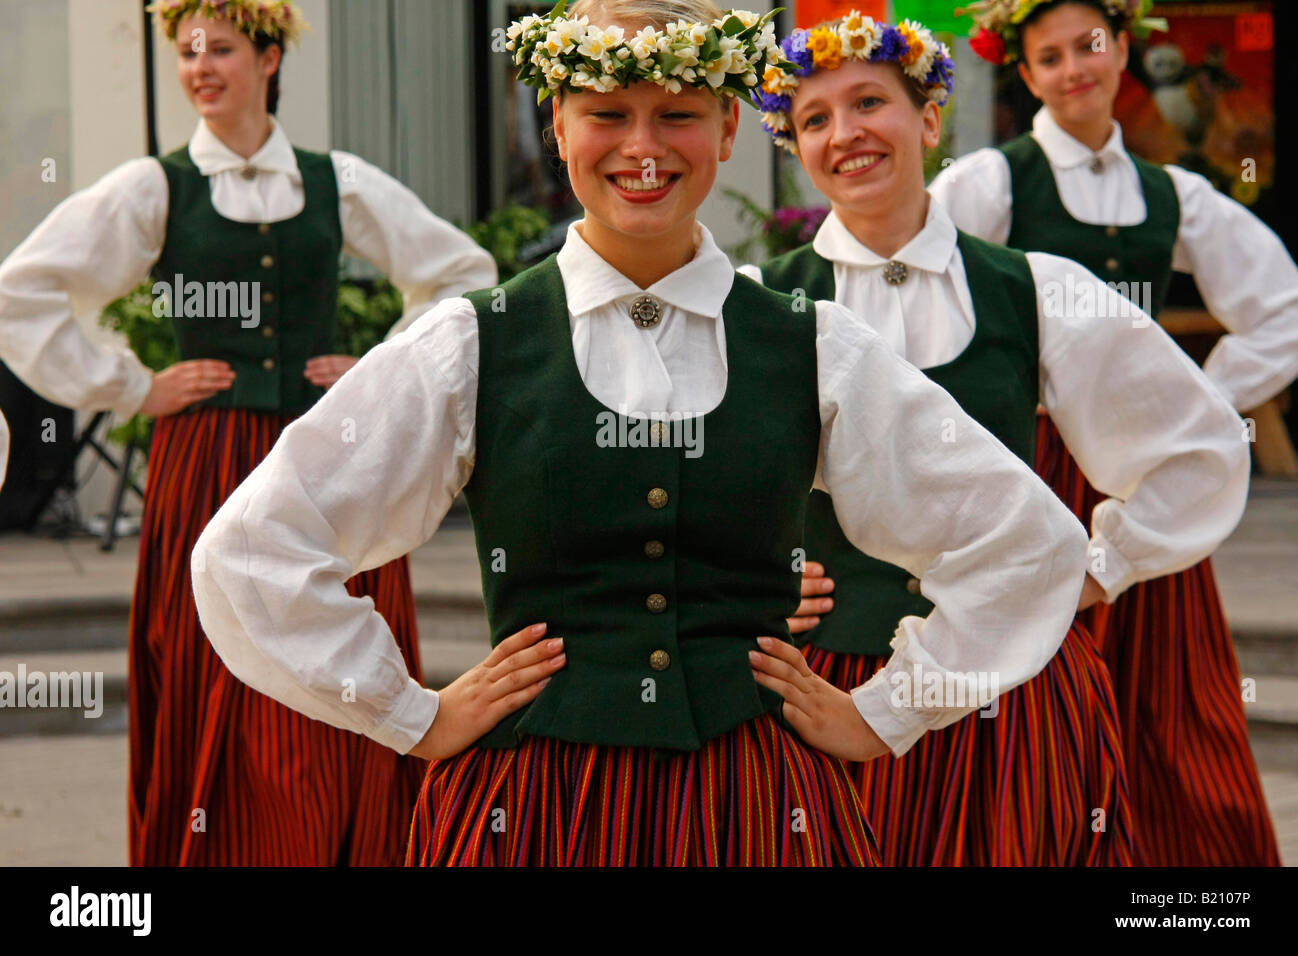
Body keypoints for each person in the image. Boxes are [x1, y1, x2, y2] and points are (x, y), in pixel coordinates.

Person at [192, 0, 1089, 867]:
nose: (643, 147)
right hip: (536, 804)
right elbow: (253, 550)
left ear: (730, 129)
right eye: (608, 113)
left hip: (756, 805)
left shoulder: (812, 343)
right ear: (556, 123)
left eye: (679, 114)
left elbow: (1027, 541)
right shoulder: (472, 341)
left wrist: (885, 712)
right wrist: (408, 712)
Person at [744, 11, 1248, 866]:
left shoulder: (1036, 289)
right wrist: (750, 575)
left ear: (930, 118)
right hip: (830, 693)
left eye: (870, 101)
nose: (846, 133)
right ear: (794, 146)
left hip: (1011, 692)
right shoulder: (757, 303)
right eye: (815, 119)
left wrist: (1097, 570)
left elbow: (1197, 447)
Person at [0, 0, 497, 865]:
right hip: (207, 465)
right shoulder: (157, 187)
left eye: (220, 48)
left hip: (333, 461)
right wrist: (132, 384)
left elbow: (460, 274)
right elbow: (24, 291)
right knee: (212, 662)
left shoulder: (334, 178)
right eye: (187, 52)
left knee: (337, 659)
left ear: (269, 59)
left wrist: (383, 368)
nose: (199, 68)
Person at [930, 0, 1293, 865]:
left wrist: (1193, 403)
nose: (1073, 69)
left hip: (1143, 471)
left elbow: (1280, 309)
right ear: (1025, 77)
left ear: (1124, 48)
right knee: (1035, 682)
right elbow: (926, 294)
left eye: (1088, 46)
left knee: (1175, 688)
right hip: (1038, 465)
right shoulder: (991, 181)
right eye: (1047, 57)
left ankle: (1188, 885)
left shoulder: (1178, 193)